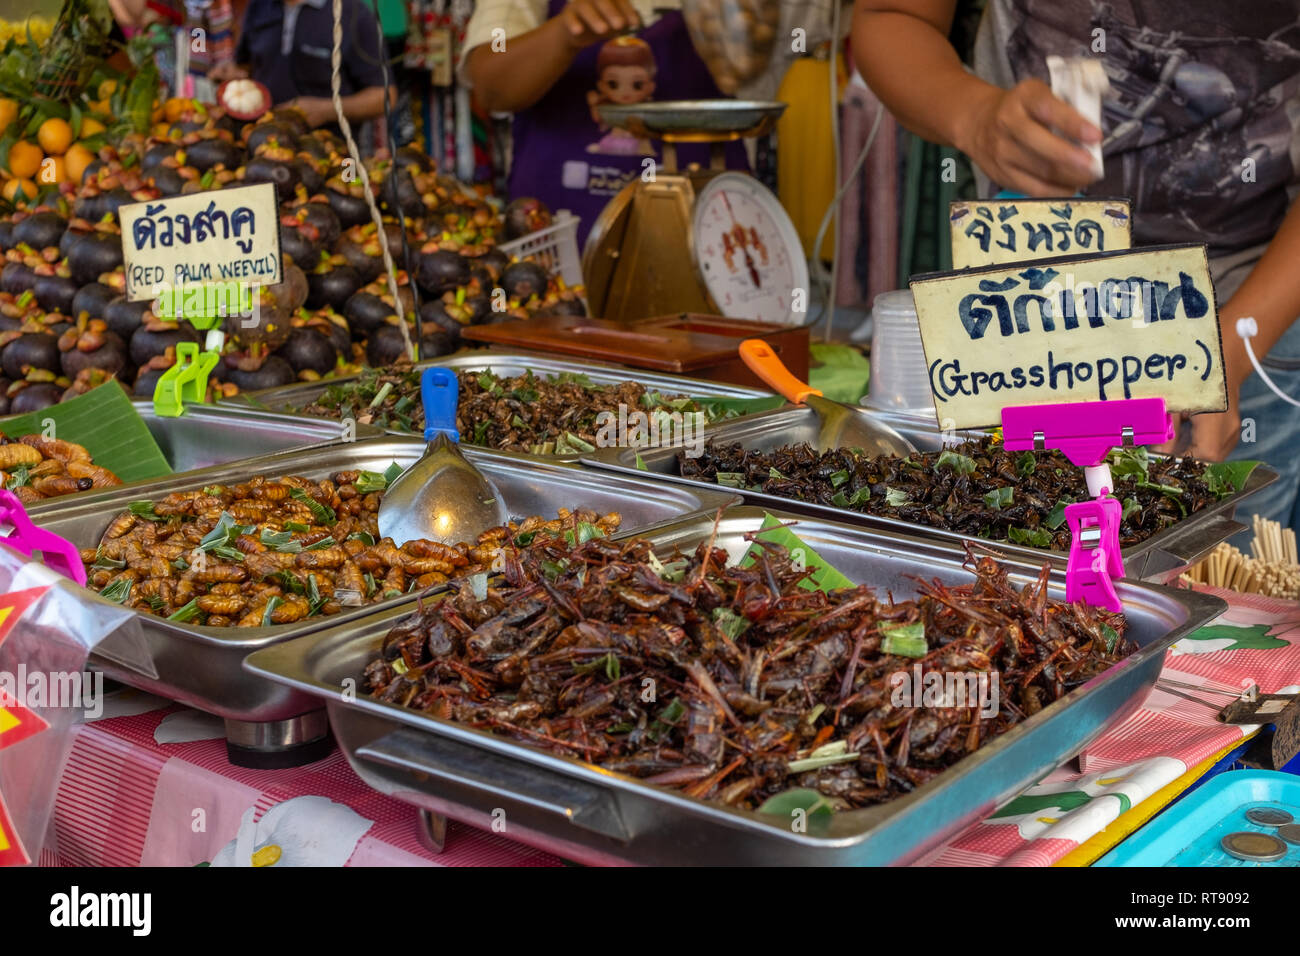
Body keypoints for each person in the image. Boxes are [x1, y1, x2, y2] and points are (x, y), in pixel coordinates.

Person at [852, 0, 1300, 530]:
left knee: (1225, 580)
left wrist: (1226, 351)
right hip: (1020, 307)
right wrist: (974, 117)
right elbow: (890, 16)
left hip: (1253, 307)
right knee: (1007, 547)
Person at [459, 0, 752, 249]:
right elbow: (491, 87)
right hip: (559, 250)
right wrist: (564, 34)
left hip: (708, 241)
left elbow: (766, 51)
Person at [209, 0, 392, 130]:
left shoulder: (353, 14)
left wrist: (326, 110)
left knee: (348, 180)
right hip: (263, 141)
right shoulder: (259, 6)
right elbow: (249, 66)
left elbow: (385, 96)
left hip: (335, 156)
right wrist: (233, 76)